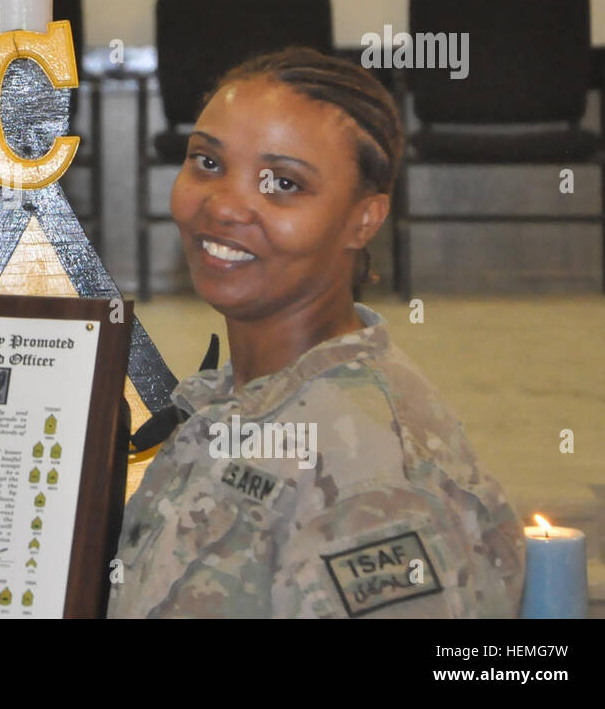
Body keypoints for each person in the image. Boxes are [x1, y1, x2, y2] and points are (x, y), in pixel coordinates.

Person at [108, 47, 525, 618]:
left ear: (364, 220)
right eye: (207, 162)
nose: (226, 205)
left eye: (282, 182)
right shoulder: (237, 397)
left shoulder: (373, 483)